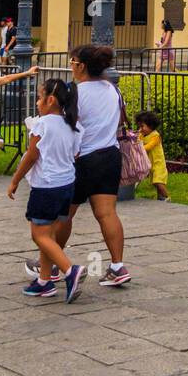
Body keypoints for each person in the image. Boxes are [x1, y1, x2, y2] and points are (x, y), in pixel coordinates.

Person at [50, 45, 130, 288]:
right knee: (107, 212)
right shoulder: (112, 89)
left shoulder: (74, 91)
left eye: (72, 62)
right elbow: (120, 119)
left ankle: (53, 263)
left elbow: (66, 125)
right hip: (109, 155)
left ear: (81, 66)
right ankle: (117, 266)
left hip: (82, 159)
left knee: (65, 213)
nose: (70, 66)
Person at [8, 78, 87, 303]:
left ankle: (70, 270)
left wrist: (15, 180)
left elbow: (31, 156)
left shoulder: (42, 125)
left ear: (50, 99)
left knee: (39, 234)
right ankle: (44, 281)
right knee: (49, 235)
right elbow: (76, 155)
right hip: (66, 184)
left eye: (39, 97)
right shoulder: (73, 125)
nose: (37, 103)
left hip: (46, 187)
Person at [136, 110, 169, 201]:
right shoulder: (143, 135)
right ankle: (161, 198)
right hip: (151, 164)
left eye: (142, 126)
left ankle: (167, 197)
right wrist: (139, 135)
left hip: (158, 163)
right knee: (155, 183)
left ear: (151, 125)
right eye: (139, 126)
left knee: (158, 182)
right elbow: (138, 141)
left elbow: (149, 147)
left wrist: (139, 147)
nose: (140, 129)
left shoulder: (155, 136)